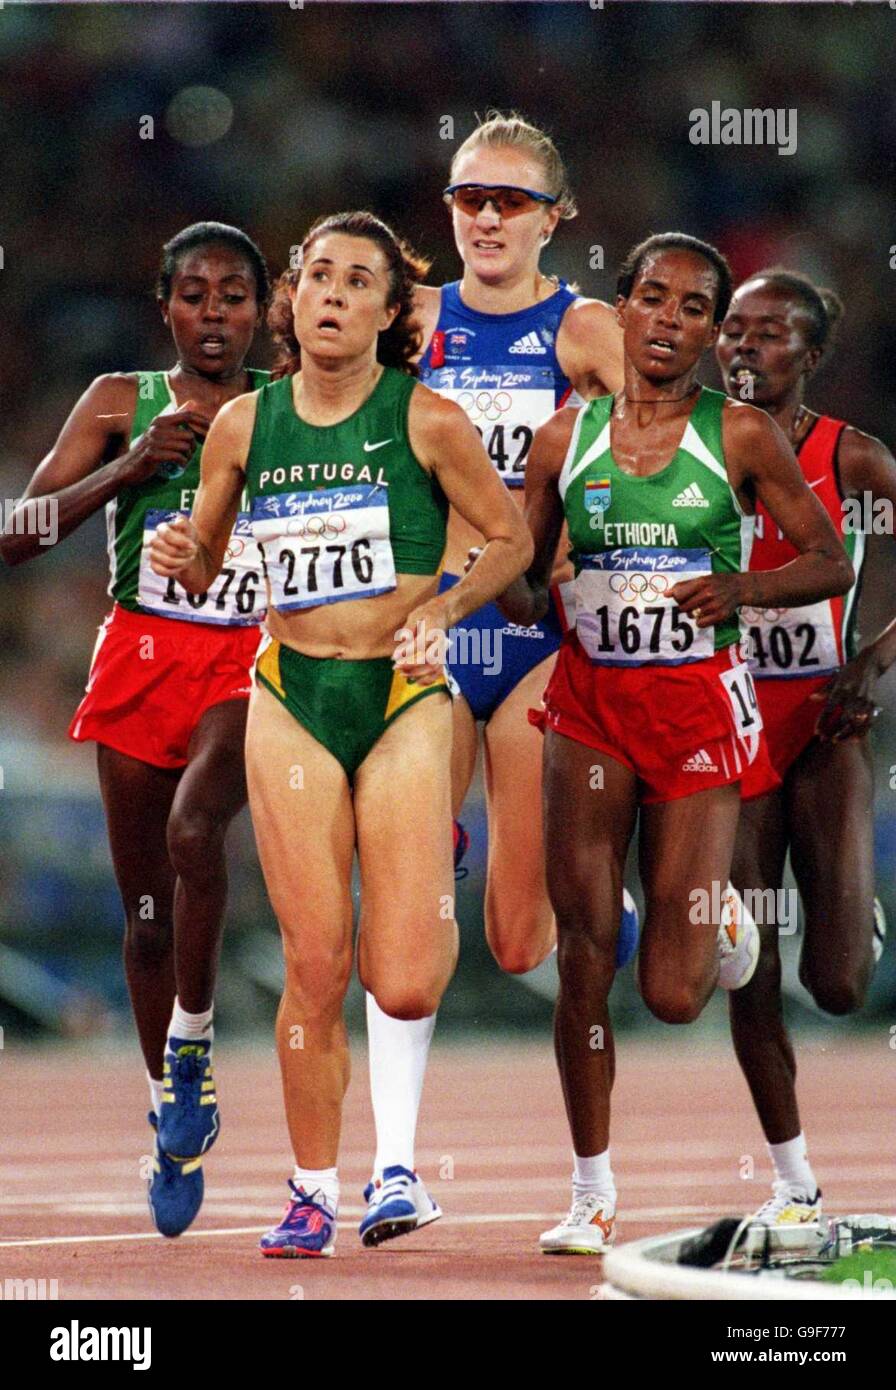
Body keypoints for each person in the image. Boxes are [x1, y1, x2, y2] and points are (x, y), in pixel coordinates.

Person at [149, 210, 533, 1258]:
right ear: (294, 297)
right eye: (318, 275)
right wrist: (184, 551)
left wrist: (443, 609)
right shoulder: (245, 425)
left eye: (358, 280)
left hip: (401, 694)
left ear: (387, 311)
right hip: (292, 696)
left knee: (399, 978)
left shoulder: (429, 419)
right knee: (314, 960)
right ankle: (313, 1190)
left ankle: (427, 887)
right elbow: (202, 565)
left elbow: (510, 539)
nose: (331, 293)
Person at [494, 233, 854, 1254]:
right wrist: (506, 576)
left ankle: (723, 928)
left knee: (671, 993)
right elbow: (526, 592)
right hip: (591, 708)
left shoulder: (739, 434)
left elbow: (829, 561)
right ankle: (590, 1192)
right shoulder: (563, 441)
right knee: (581, 951)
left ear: (707, 333)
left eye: (693, 309)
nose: (669, 321)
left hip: (697, 715)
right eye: (652, 299)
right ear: (621, 310)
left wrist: (741, 586)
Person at [359, 111, 638, 1247]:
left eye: (509, 201)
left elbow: (668, 448)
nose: (485, 217)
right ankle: (390, 1169)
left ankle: (609, 906)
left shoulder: (586, 331)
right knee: (405, 908)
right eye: (469, 197)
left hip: (532, 639)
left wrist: (585, 532)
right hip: (426, 632)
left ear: (551, 219)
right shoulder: (410, 321)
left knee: (521, 941)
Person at [0, 222, 271, 1237]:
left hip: (246, 659)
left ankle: (193, 1044)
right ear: (166, 307)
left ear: (261, 311)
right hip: (142, 657)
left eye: (234, 294)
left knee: (199, 831)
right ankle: (172, 1110)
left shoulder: (290, 404)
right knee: (148, 915)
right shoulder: (120, 401)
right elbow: (17, 535)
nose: (215, 313)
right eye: (194, 294)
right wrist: (128, 469)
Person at [716, 269, 894, 1231]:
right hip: (725, 730)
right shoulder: (689, 443)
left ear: (811, 355)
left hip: (824, 727)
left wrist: (873, 661)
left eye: (770, 333)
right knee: (748, 960)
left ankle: (855, 917)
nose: (744, 347)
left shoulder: (851, 457)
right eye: (733, 329)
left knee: (836, 985)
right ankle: (793, 1182)